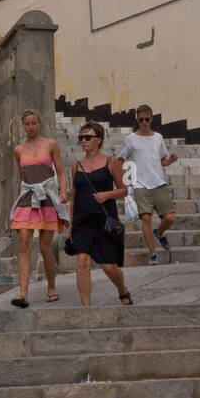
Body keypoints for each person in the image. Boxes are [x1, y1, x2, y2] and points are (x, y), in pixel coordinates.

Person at [7, 108, 67, 307]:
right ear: (23, 126)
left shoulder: (51, 144)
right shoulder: (18, 150)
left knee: (44, 246)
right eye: (27, 124)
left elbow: (60, 170)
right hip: (27, 198)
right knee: (24, 243)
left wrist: (63, 191)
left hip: (47, 198)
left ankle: (51, 287)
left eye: (34, 123)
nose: (31, 127)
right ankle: (22, 293)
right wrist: (18, 199)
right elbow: (21, 177)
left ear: (39, 123)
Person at [68, 121, 132, 306]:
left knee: (109, 266)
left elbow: (124, 190)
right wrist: (71, 225)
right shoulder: (76, 166)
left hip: (104, 221)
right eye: (81, 137)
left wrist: (107, 195)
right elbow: (74, 196)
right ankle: (86, 308)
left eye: (88, 137)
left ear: (99, 139)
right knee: (82, 262)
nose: (83, 141)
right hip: (82, 221)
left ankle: (122, 289)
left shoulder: (111, 162)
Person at [119, 104, 178, 265]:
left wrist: (170, 160)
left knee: (170, 217)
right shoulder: (131, 139)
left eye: (147, 119)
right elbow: (121, 159)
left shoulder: (158, 137)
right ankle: (153, 254)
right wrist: (125, 181)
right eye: (141, 119)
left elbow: (163, 160)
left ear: (151, 119)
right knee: (146, 218)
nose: (144, 122)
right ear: (137, 120)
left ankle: (159, 233)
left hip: (158, 182)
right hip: (140, 184)